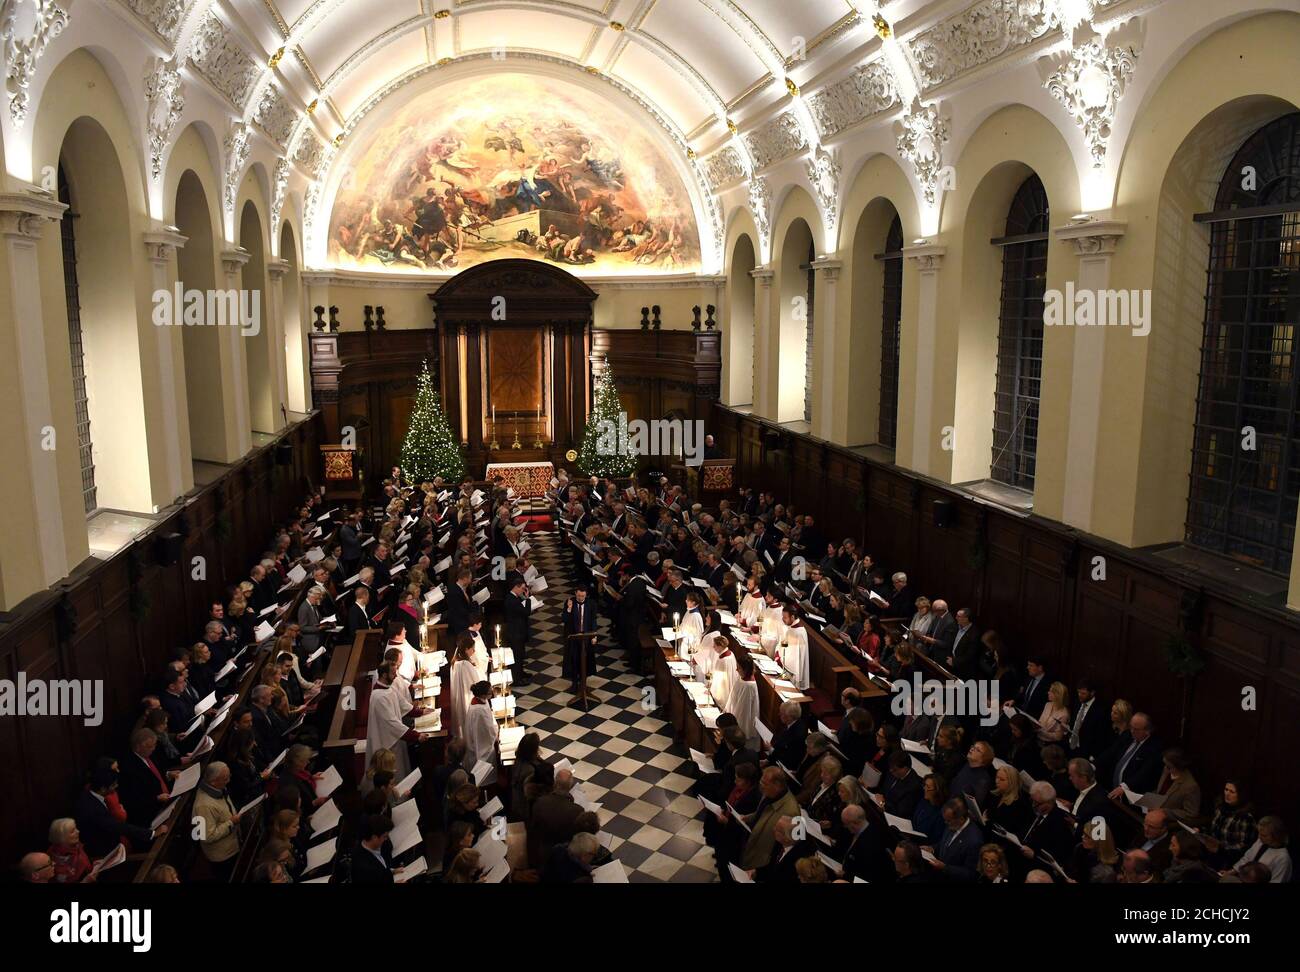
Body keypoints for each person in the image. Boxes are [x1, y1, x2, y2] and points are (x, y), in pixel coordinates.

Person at [739, 767, 801, 871]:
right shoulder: (769, 793)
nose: (761, 786)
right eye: (761, 781)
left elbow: (795, 845)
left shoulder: (793, 812)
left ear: (777, 786)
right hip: (750, 847)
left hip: (761, 864)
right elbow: (762, 812)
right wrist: (749, 817)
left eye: (764, 783)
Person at [192, 762, 242, 881]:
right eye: (225, 779)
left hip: (233, 845)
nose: (229, 781)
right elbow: (205, 836)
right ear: (213, 781)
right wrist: (231, 823)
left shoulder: (218, 788)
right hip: (223, 856)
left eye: (229, 776)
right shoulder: (202, 806)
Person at [366, 661, 415, 780]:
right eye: (393, 673)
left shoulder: (388, 688)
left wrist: (421, 711)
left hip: (395, 736)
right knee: (393, 774)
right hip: (386, 742)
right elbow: (391, 723)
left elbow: (402, 704)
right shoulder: (379, 697)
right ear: (384, 675)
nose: (396, 676)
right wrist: (414, 735)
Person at [1201, 779, 1257, 869]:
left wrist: (1221, 849)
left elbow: (1244, 846)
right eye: (1226, 789)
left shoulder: (1245, 817)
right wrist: (1200, 832)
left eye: (1232, 792)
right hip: (1211, 853)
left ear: (1240, 795)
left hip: (1228, 860)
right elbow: (1213, 830)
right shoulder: (1220, 807)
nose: (1227, 794)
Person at [929, 797, 983, 882]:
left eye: (948, 821)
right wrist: (932, 849)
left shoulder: (974, 841)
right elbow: (945, 844)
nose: (945, 823)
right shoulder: (952, 823)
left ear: (961, 819)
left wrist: (945, 868)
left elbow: (970, 873)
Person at [1225, 815, 1292, 883]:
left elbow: (1277, 881)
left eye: (1264, 835)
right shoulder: (1260, 842)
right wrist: (1230, 872)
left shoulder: (1282, 858)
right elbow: (1247, 858)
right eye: (1259, 833)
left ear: (1276, 835)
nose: (1259, 837)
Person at [837, 803, 893, 884]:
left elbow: (866, 875)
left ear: (854, 824)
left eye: (846, 824)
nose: (845, 827)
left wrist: (845, 875)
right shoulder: (867, 827)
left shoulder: (870, 844)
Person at [449, 633, 487, 737]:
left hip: (460, 697)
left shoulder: (455, 661)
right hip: (467, 698)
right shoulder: (465, 665)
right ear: (466, 649)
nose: (474, 651)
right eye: (472, 649)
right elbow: (476, 681)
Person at [463, 680, 498, 786]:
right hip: (481, 741)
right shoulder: (478, 711)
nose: (492, 693)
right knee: (484, 757)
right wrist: (495, 732)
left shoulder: (481, 700)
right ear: (483, 694)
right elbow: (484, 732)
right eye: (489, 692)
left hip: (482, 733)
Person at [503, 574, 532, 686]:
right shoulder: (511, 600)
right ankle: (516, 679)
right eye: (522, 588)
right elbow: (526, 612)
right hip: (515, 633)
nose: (523, 591)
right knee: (516, 656)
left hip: (518, 631)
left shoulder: (513, 597)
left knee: (520, 655)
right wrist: (528, 599)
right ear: (516, 587)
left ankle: (520, 673)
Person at [352, 813, 395, 883]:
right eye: (384, 836)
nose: (386, 839)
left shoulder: (368, 846)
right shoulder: (366, 868)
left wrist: (392, 871)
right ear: (374, 837)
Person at [46, 819, 92, 884]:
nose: (78, 831)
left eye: (76, 828)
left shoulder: (75, 846)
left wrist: (95, 866)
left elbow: (86, 865)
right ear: (62, 837)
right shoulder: (55, 860)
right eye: (72, 831)